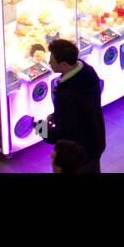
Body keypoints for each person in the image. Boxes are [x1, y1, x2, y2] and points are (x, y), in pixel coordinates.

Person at [42, 38, 105, 173]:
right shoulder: (88, 71)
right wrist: (57, 115)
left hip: (78, 154)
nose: (49, 63)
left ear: (64, 65)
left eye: (52, 61)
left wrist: (41, 129)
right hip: (95, 141)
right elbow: (81, 111)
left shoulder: (66, 95)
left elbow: (65, 133)